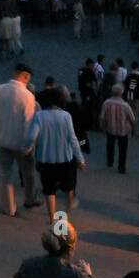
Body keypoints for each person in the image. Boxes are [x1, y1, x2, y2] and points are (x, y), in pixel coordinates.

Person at [0, 64, 40, 215]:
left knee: (6, 174)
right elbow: (29, 122)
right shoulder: (27, 96)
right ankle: (30, 197)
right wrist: (28, 144)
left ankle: (8, 207)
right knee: (28, 171)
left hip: (2, 140)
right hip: (20, 143)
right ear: (26, 76)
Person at [28, 82, 84, 218]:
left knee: (49, 189)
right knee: (69, 184)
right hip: (65, 157)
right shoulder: (66, 116)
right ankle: (70, 202)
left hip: (45, 159)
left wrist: (27, 147)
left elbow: (32, 136)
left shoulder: (39, 116)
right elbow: (73, 139)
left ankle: (52, 216)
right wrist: (80, 159)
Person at [100, 81, 135, 174]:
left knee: (110, 145)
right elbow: (132, 119)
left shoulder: (106, 103)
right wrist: (132, 129)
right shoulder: (125, 105)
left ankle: (110, 161)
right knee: (123, 149)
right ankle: (121, 167)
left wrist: (103, 127)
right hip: (123, 131)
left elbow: (102, 117)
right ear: (121, 93)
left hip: (110, 129)